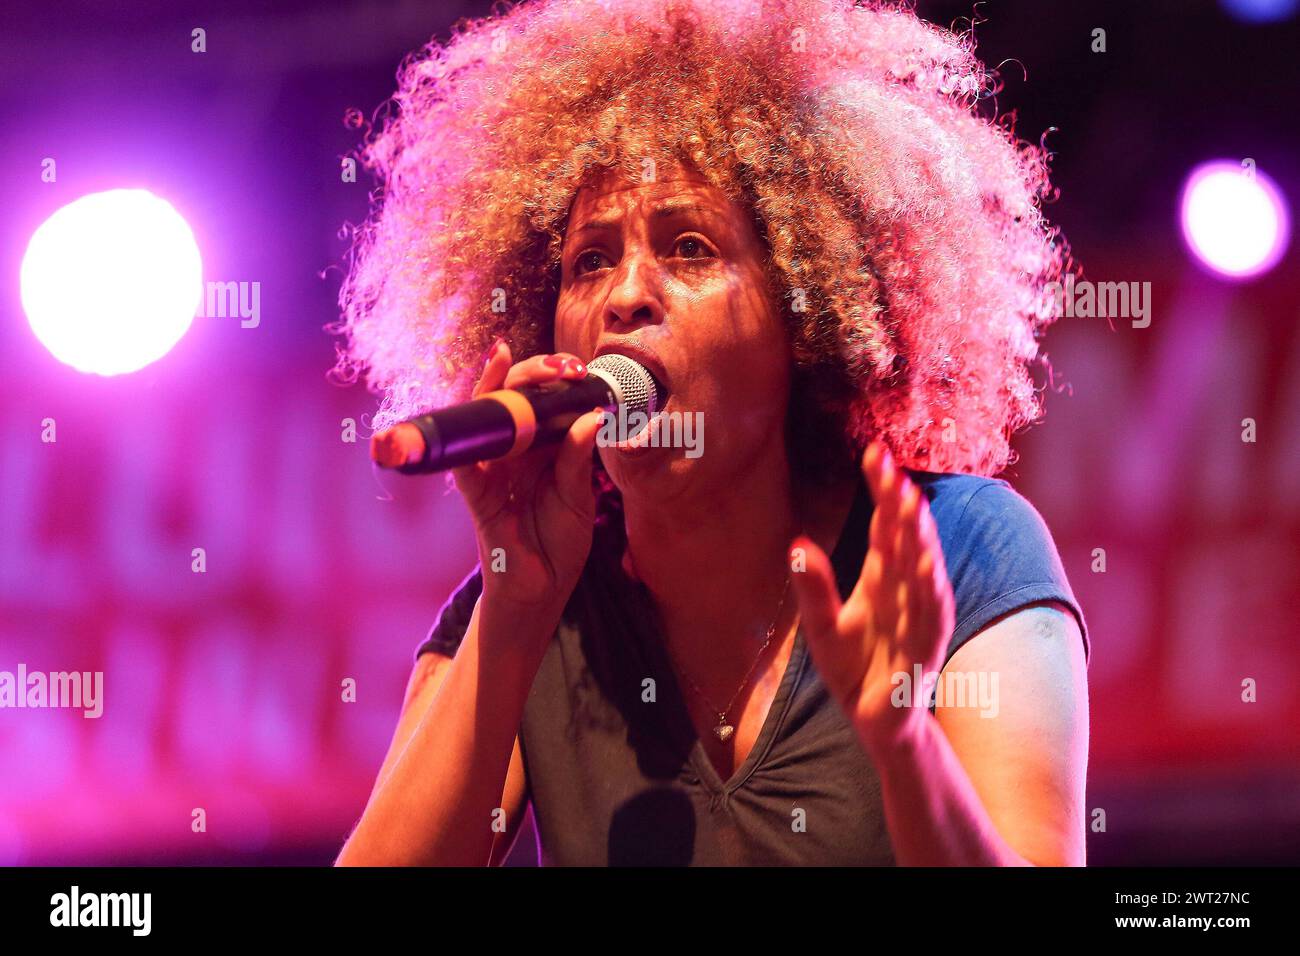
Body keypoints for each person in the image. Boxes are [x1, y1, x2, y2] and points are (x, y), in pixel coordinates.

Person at [333, 0, 1089, 866]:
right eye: (590, 260)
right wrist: (515, 614)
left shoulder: (961, 550)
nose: (626, 297)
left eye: (689, 249)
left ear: (809, 312)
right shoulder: (521, 608)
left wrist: (904, 745)